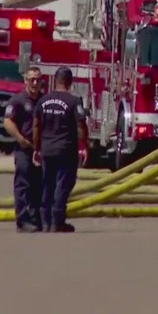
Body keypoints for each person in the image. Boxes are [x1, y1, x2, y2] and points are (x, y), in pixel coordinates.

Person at [33, 66, 89, 233]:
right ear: (70, 82)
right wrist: (83, 146)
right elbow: (81, 125)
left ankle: (45, 222)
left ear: (55, 80)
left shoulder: (43, 101)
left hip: (47, 149)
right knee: (63, 184)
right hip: (66, 150)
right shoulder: (74, 101)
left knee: (47, 184)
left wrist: (37, 148)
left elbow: (36, 126)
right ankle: (57, 221)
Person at [4, 66, 45, 233]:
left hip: (40, 149)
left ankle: (36, 218)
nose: (35, 83)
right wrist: (20, 139)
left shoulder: (44, 100)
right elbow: (8, 122)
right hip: (24, 148)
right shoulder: (17, 100)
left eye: (38, 80)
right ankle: (22, 220)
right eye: (32, 79)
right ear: (25, 80)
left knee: (39, 184)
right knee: (23, 184)